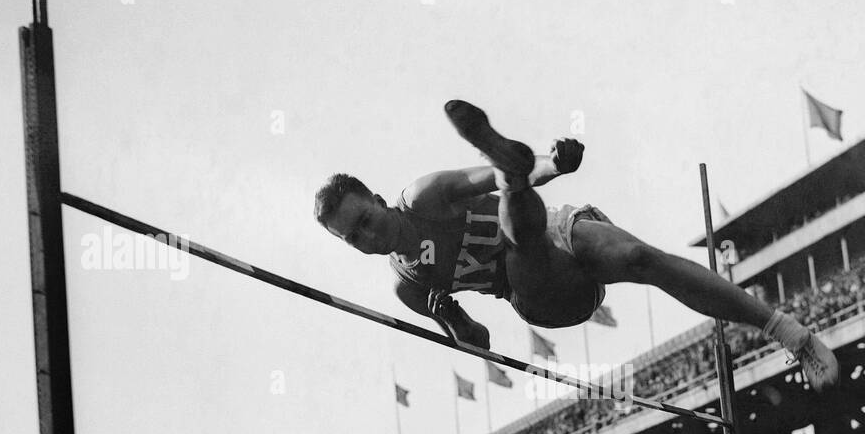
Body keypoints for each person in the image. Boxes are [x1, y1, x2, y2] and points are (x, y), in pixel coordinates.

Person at [314, 100, 838, 391]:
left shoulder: (424, 197)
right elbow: (480, 343)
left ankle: (792, 334)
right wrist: (451, 320)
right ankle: (517, 182)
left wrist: (552, 165)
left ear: (379, 200)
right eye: (353, 238)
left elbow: (487, 174)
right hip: (541, 296)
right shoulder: (408, 287)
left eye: (363, 219)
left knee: (638, 259)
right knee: (520, 244)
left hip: (556, 228)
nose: (366, 236)